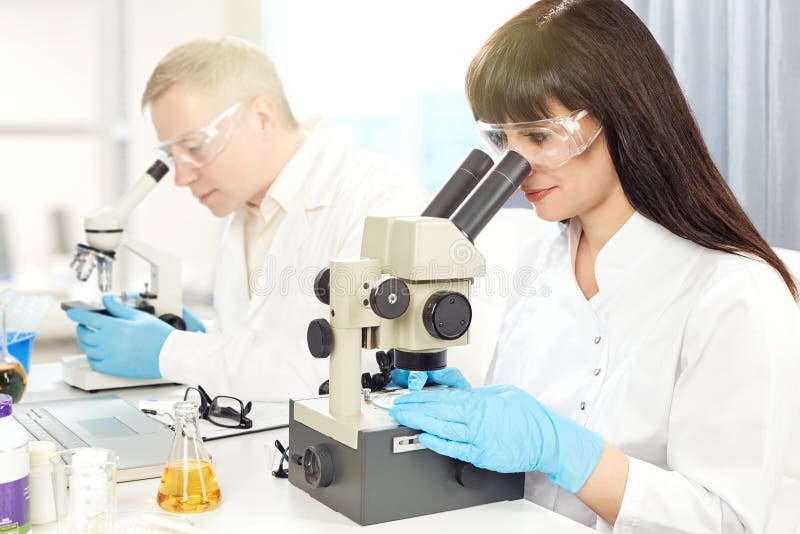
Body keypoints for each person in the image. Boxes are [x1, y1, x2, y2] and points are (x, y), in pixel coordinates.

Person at [389, 1, 800, 532]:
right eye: (501, 139)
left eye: (536, 136)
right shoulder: (539, 263)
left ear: (620, 116)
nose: (516, 166)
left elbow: (726, 520)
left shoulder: (734, 292)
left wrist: (563, 450)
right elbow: (517, 466)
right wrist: (468, 420)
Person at [65, 37, 428, 401]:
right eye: (173, 157)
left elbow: (356, 371)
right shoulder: (248, 208)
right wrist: (203, 340)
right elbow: (261, 346)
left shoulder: (378, 198)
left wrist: (171, 351)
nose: (180, 177)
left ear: (261, 117)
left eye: (194, 147)